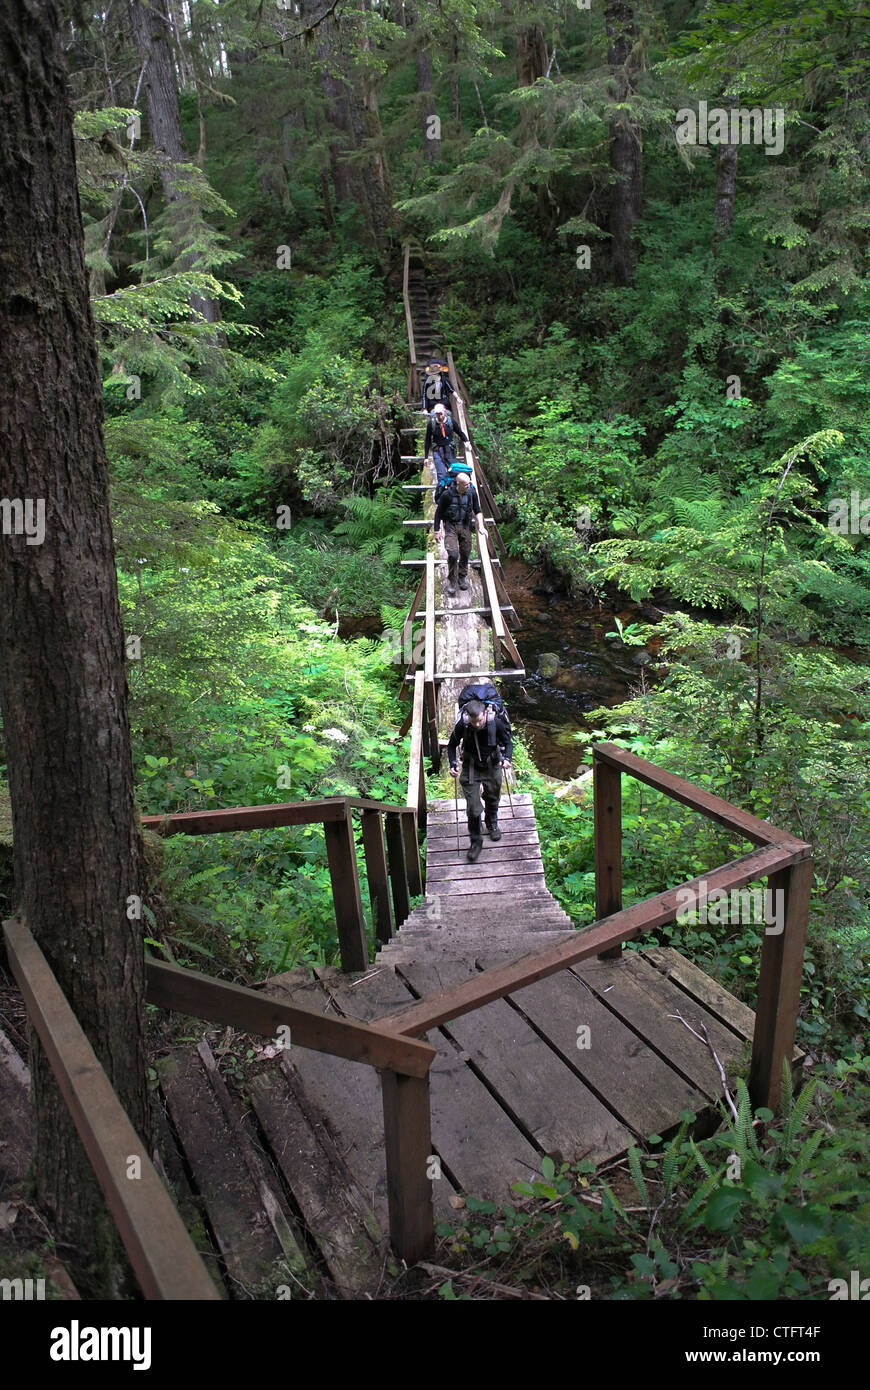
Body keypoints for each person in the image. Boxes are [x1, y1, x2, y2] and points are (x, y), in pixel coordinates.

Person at [447, 699, 514, 862]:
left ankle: (491, 822)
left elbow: (508, 742)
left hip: (492, 765)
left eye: (479, 720)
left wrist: (507, 758)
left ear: (485, 713)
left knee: (492, 796)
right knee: (473, 808)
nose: (477, 724)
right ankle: (476, 842)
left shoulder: (495, 722)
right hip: (471, 767)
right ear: (468, 716)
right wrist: (453, 764)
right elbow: (451, 745)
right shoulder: (463, 724)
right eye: (473, 721)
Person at [433, 470, 480, 597]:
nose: (469, 486)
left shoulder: (471, 492)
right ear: (458, 484)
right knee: (453, 554)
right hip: (450, 526)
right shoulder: (447, 495)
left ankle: (462, 576)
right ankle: (452, 581)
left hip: (464, 525)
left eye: (469, 484)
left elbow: (477, 509)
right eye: (466, 485)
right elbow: (438, 513)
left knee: (465, 552)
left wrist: (480, 526)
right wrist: (437, 530)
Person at [424, 402, 468, 486]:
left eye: (440, 413)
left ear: (444, 412)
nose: (439, 416)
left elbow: (459, 432)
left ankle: (454, 492)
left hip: (449, 450)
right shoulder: (431, 424)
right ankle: (442, 494)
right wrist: (426, 457)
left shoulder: (451, 422)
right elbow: (427, 440)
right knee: (441, 475)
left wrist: (466, 442)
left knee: (454, 471)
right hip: (437, 451)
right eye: (437, 414)